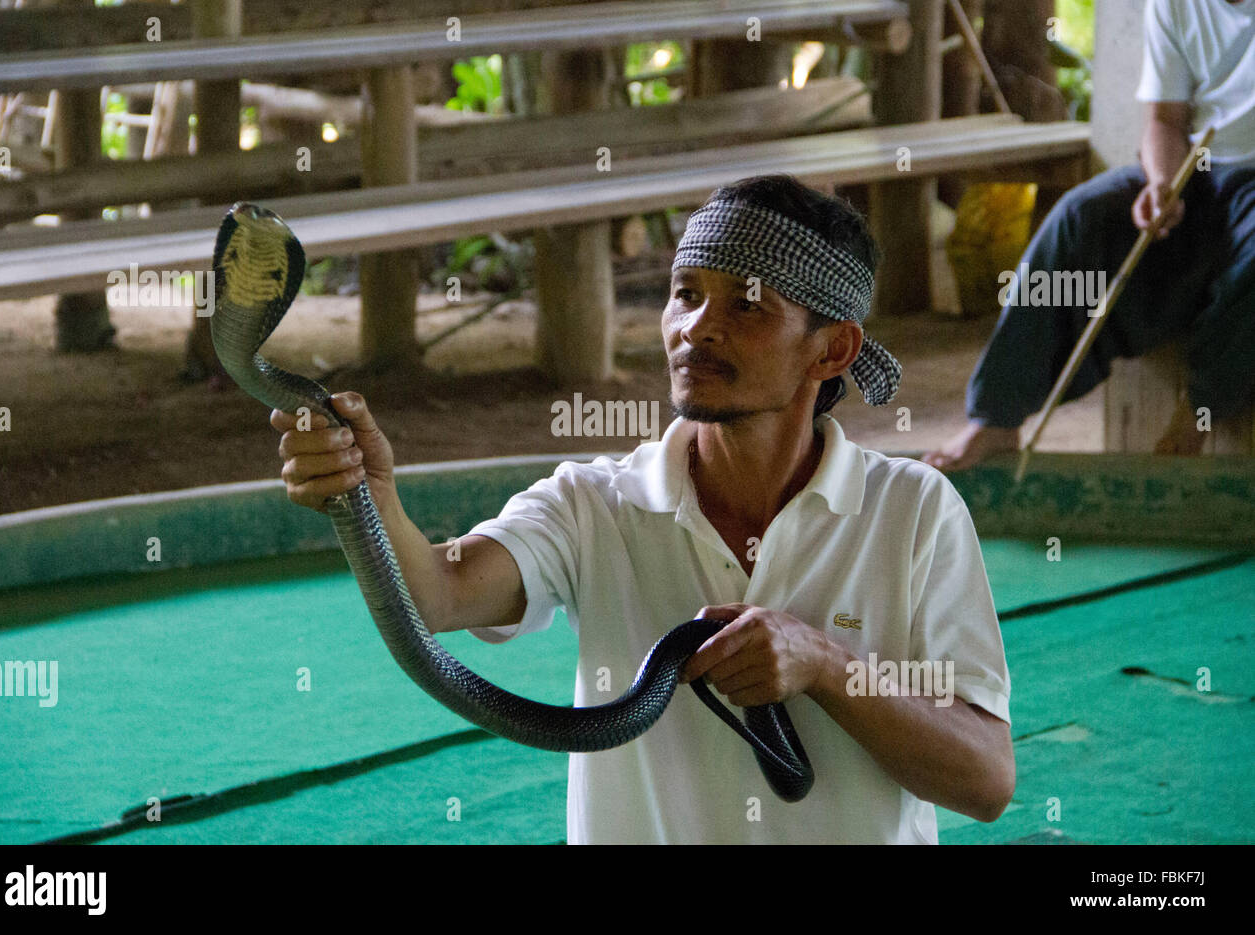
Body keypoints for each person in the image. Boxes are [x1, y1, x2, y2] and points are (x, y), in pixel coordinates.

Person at [272, 175, 1013, 844]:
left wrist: (822, 664)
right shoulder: (593, 501)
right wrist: (370, 495)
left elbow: (984, 781)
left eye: (747, 304)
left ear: (831, 350)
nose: (696, 328)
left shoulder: (914, 510)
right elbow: (435, 593)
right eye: (686, 293)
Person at [923, 0, 1255, 471]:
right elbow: (1164, 121)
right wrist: (1163, 183)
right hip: (1201, 173)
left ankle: (1199, 409)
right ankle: (996, 416)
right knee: (1081, 216)